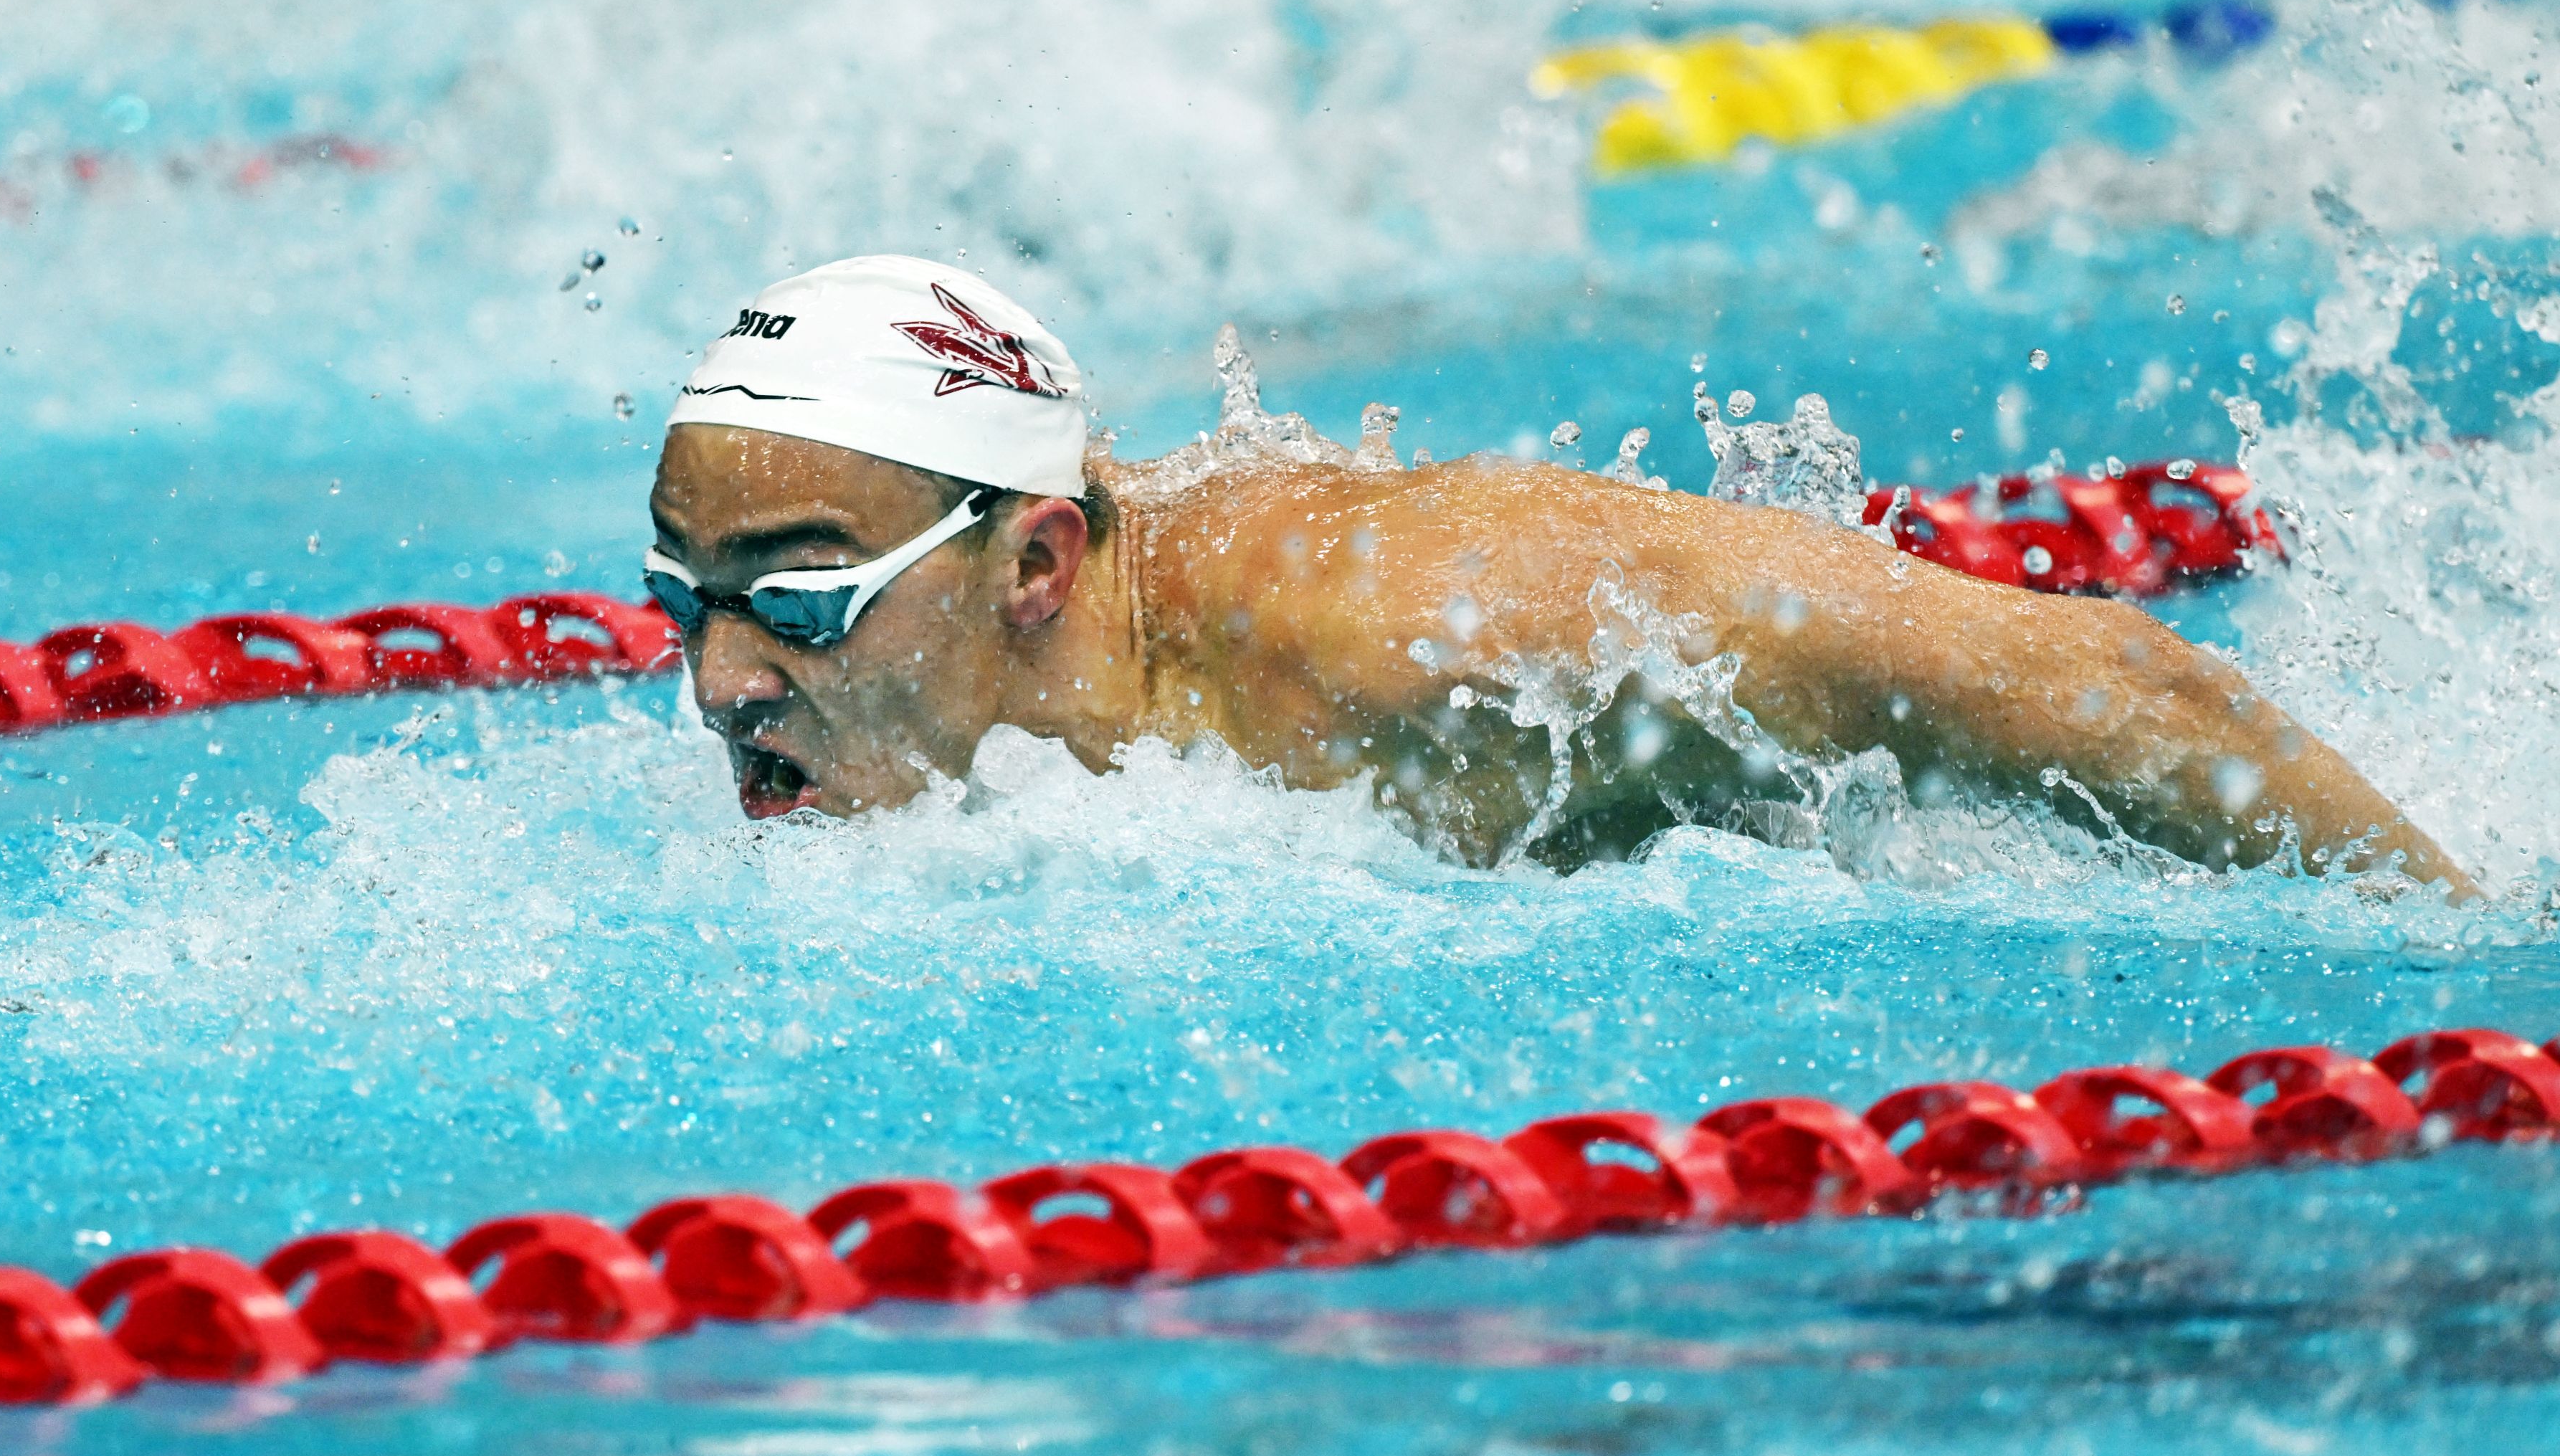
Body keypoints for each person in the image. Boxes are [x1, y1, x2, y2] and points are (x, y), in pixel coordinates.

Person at [646, 254, 2473, 897]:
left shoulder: (1415, 629)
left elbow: (2132, 690)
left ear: (1036, 559)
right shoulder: (1017, 695)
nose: (721, 681)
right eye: (683, 600)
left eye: (794, 599)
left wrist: (2474, 959)